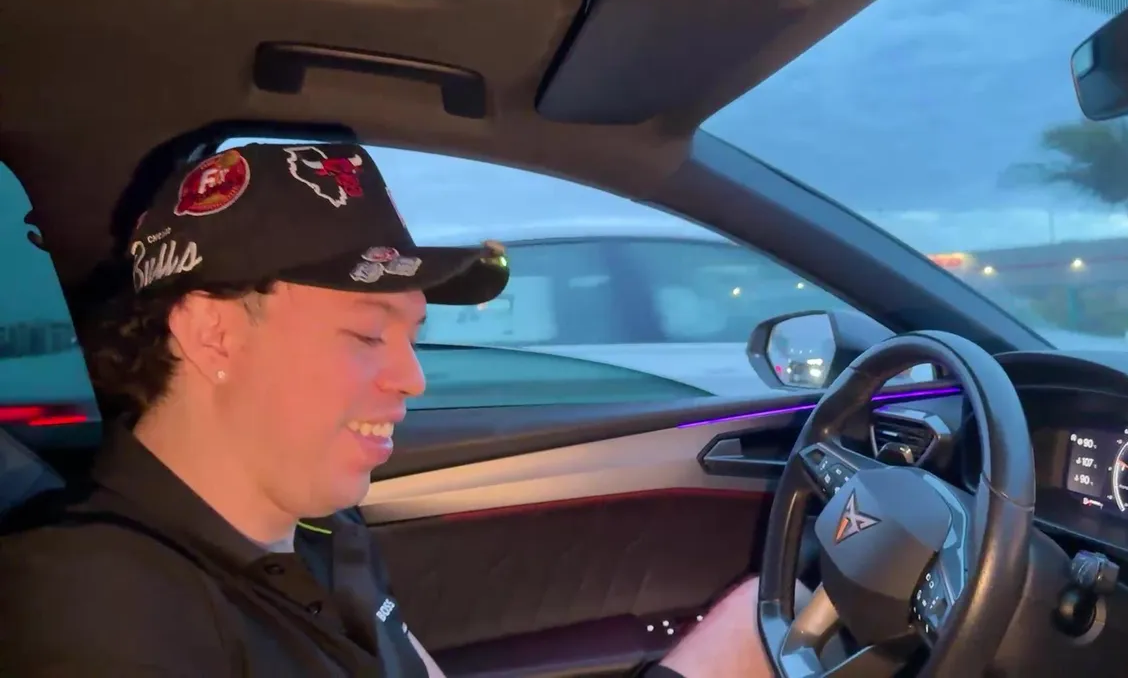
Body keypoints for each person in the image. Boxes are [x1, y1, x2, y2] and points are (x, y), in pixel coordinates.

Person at [0, 143, 787, 677]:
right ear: (215, 334)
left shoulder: (319, 530)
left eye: (412, 336)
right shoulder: (91, 602)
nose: (412, 379)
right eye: (366, 334)